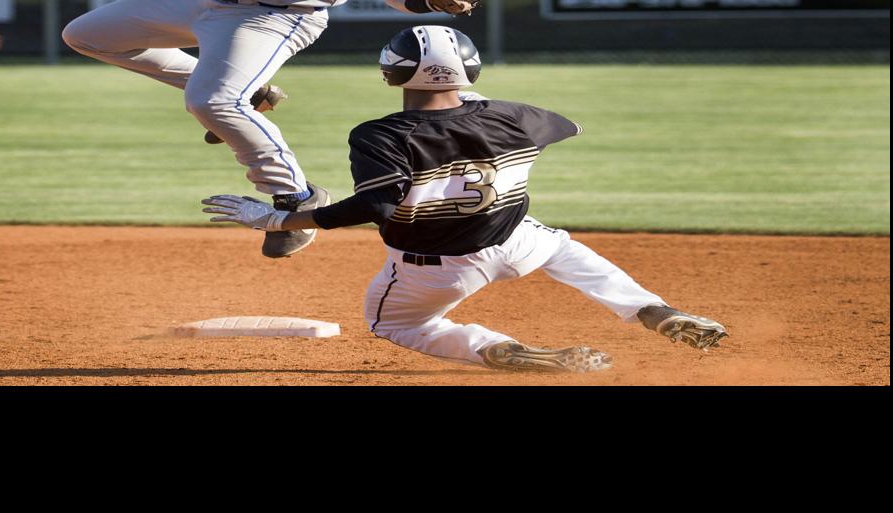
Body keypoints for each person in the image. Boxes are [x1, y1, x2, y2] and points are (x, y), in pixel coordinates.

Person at [201, 25, 729, 373]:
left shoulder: (380, 134)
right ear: (471, 71)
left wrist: (277, 219)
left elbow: (377, 207)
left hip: (438, 266)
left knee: (395, 325)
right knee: (568, 251)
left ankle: (501, 351)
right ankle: (654, 311)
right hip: (516, 240)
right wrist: (476, 107)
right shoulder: (516, 115)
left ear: (390, 71)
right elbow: (563, 124)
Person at [62, 0, 479, 260]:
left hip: (273, 14)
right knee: (86, 34)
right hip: (200, 3)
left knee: (214, 102)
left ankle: (296, 195)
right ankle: (249, 90)